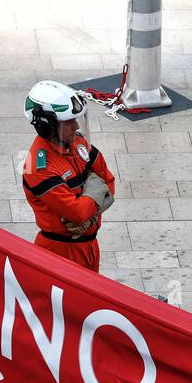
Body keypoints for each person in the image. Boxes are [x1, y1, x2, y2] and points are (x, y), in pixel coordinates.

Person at [21, 80, 116, 272]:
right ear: (46, 125)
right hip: (60, 254)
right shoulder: (39, 167)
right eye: (68, 122)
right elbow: (77, 213)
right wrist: (95, 195)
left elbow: (109, 182)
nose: (75, 126)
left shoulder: (78, 142)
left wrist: (89, 218)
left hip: (89, 247)